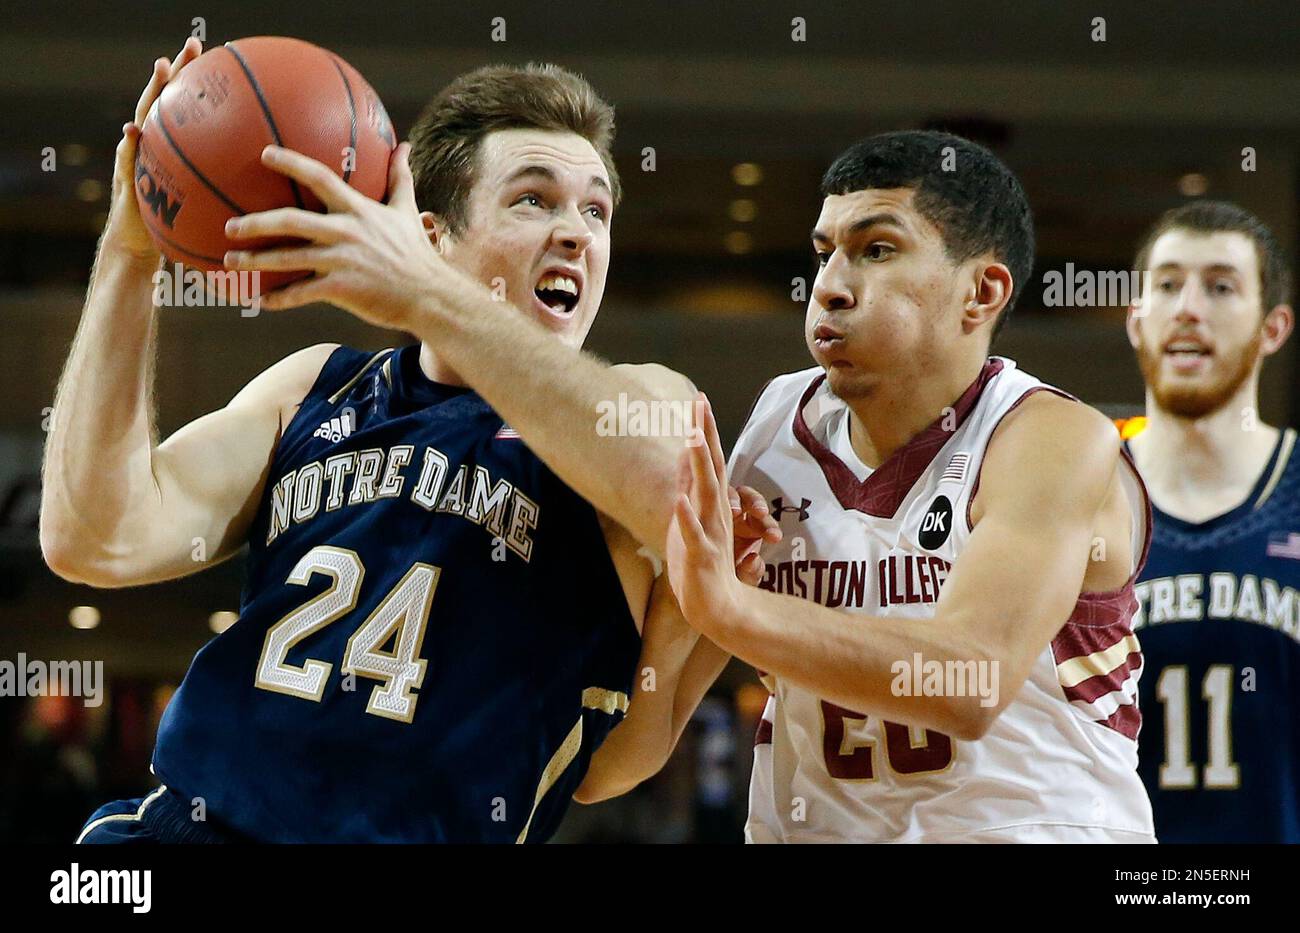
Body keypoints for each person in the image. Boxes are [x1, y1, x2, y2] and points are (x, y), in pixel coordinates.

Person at [42, 38, 769, 843]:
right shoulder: (317, 386)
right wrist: (129, 254)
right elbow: (94, 538)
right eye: (534, 199)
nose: (575, 233)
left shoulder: (647, 399)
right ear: (428, 233)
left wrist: (422, 292)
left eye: (595, 209)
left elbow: (668, 494)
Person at [655, 131, 1157, 842]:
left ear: (980, 292)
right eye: (823, 251)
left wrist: (728, 608)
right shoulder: (773, 428)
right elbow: (642, 741)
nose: (829, 283)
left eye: (876, 250)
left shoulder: (1052, 438)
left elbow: (971, 680)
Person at [1122, 200, 1299, 843]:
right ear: (1136, 320)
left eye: (1221, 287)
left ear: (1273, 327)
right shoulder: (1078, 495)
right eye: (1167, 285)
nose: (1188, 308)